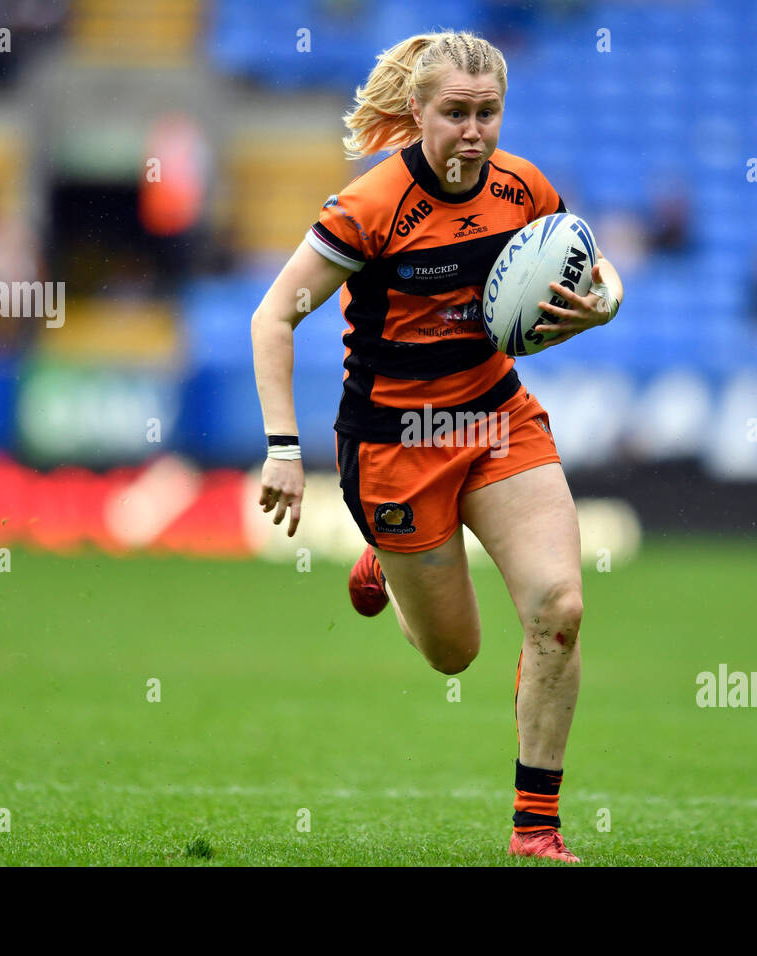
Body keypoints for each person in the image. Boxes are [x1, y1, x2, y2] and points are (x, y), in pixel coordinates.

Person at [249, 30, 623, 863]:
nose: (474, 131)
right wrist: (282, 447)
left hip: (496, 420)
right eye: (455, 113)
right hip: (394, 447)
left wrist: (604, 307)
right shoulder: (371, 207)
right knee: (455, 655)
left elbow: (591, 268)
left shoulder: (522, 186)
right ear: (418, 112)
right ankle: (388, 556)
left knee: (559, 608)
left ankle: (535, 830)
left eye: (488, 113)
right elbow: (273, 316)